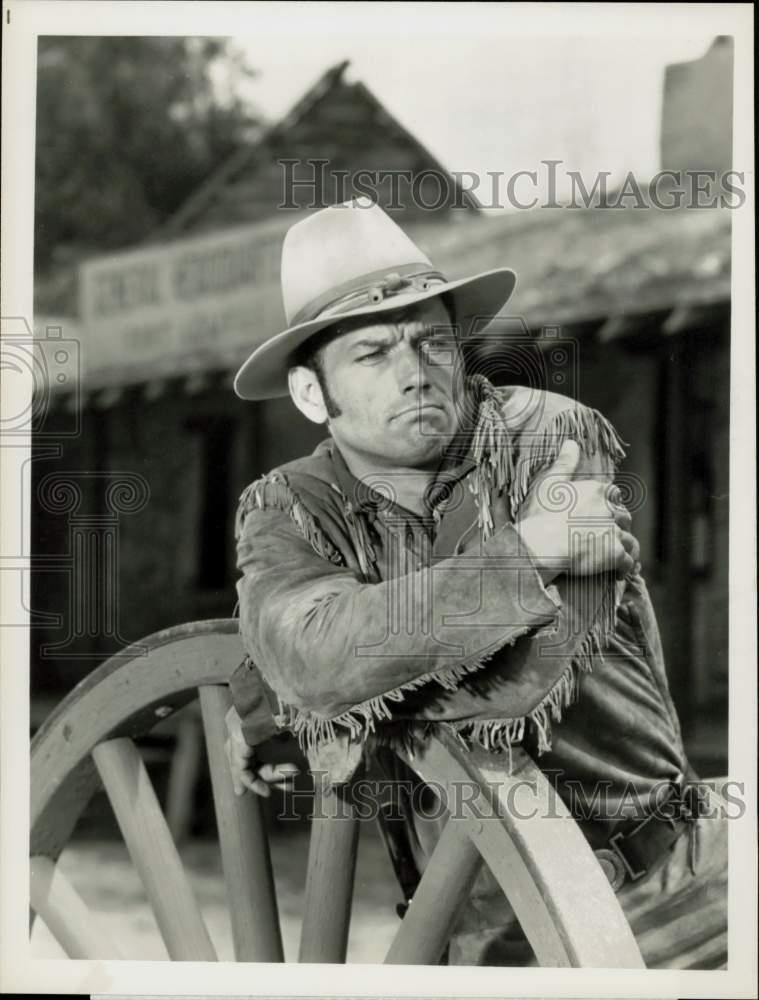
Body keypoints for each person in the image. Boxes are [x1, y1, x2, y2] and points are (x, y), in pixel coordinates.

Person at [224, 198, 727, 968]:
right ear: (308, 394)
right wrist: (526, 558)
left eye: (431, 342)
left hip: (675, 892)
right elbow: (311, 658)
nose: (414, 372)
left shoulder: (543, 441)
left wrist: (299, 702)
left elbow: (517, 683)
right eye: (372, 354)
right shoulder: (288, 507)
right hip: (480, 942)